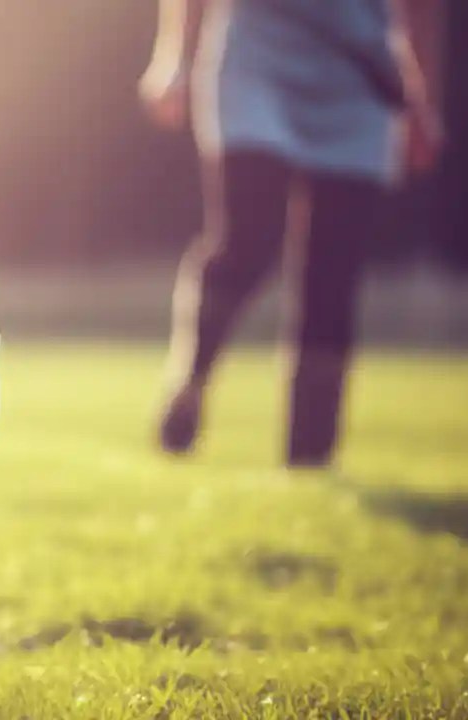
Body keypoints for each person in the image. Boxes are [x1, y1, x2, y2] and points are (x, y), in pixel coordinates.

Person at [140, 0, 444, 467]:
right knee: (249, 240)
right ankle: (192, 378)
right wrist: (174, 57)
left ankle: (310, 452)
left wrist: (423, 101)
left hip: (360, 76)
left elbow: (423, 7)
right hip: (259, 59)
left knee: (333, 273)